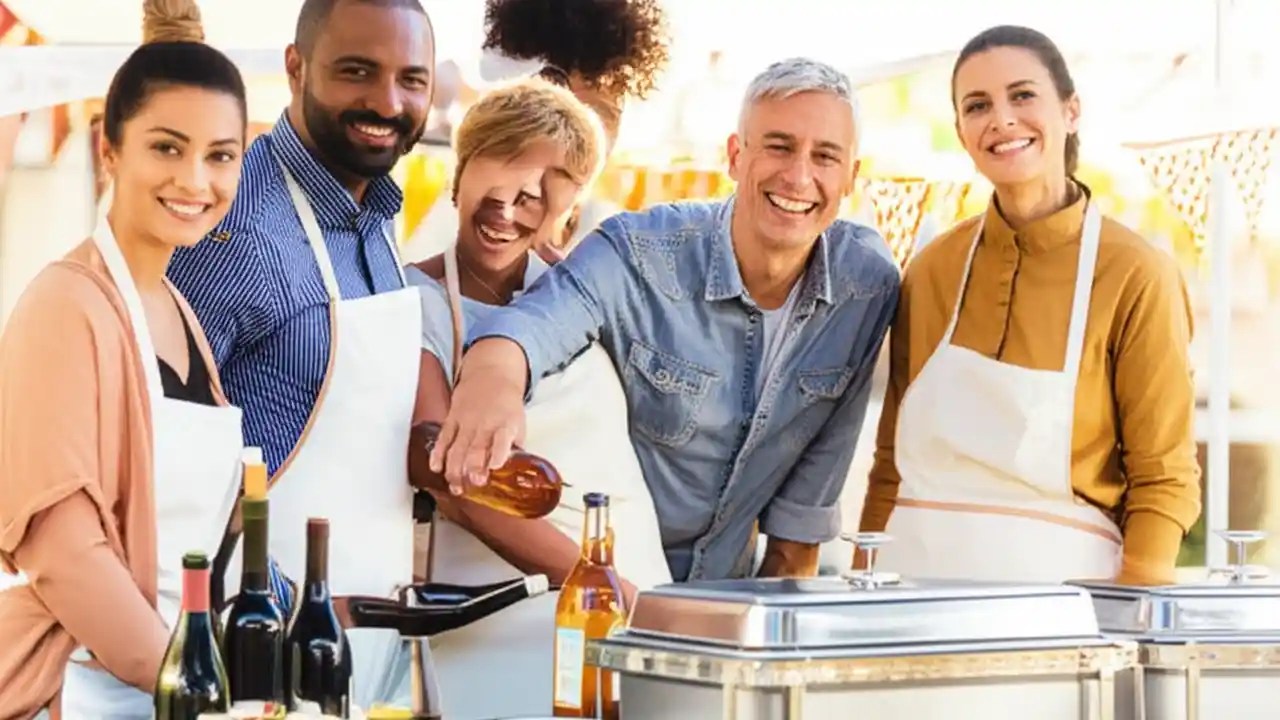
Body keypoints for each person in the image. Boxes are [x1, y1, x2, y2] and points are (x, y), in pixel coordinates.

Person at [429, 57, 900, 583]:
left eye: (825, 156)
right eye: (779, 146)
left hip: (729, 598)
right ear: (736, 156)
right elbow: (536, 322)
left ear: (853, 176)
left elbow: (803, 523)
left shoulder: (866, 286)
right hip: (609, 590)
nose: (798, 176)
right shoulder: (639, 252)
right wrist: (493, 377)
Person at [858, 26, 1201, 586]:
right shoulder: (930, 271)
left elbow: (1164, 478)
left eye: (1022, 95)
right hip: (907, 605)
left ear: (1070, 111)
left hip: (1061, 622)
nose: (1002, 119)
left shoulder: (1135, 274)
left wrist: (1135, 610)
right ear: (963, 134)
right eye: (978, 105)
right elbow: (891, 464)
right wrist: (862, 590)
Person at [164, 0, 435, 691]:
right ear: (296, 67)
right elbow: (158, 466)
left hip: (369, 652)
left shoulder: (376, 216)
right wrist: (283, 603)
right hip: (257, 651)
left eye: (413, 79)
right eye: (357, 72)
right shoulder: (233, 229)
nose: (387, 101)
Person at [0, 1, 248, 715]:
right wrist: (190, 682)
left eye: (219, 156)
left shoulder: (181, 310)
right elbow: (64, 551)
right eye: (167, 148)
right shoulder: (64, 305)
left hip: (162, 684)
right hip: (73, 689)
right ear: (110, 149)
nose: (196, 181)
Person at [404, 77, 672, 720]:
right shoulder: (413, 300)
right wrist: (605, 590)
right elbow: (451, 482)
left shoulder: (576, 296)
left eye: (540, 190)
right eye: (499, 172)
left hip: (636, 597)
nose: (511, 205)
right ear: (459, 174)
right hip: (509, 617)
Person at [401, 0, 671, 264]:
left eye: (602, 114)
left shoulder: (616, 240)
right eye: (562, 112)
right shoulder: (462, 221)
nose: (583, 135)